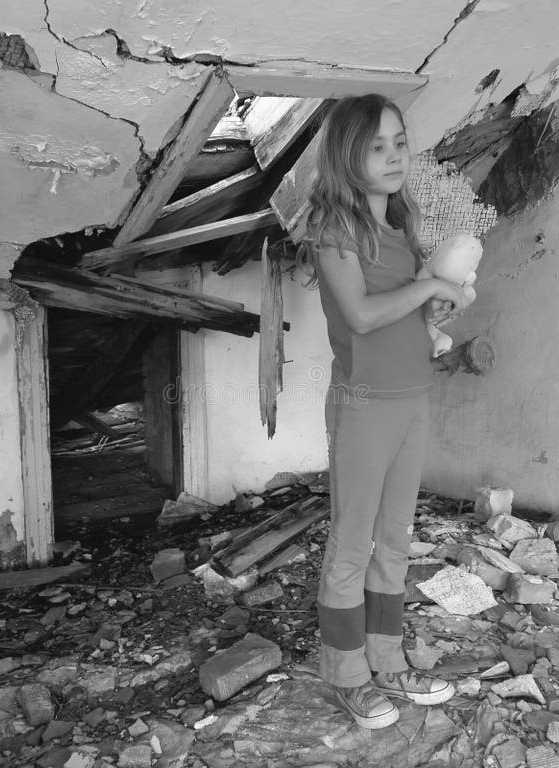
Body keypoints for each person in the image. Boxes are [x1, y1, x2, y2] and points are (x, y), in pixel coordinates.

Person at [299, 94, 471, 729]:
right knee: (352, 540)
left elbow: (400, 315)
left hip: (412, 402)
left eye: (400, 141)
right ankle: (346, 673)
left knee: (395, 539)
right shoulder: (333, 233)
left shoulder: (400, 231)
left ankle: (388, 660)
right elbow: (363, 317)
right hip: (363, 406)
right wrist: (428, 286)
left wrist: (434, 311)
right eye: (378, 145)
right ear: (348, 154)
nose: (395, 155)